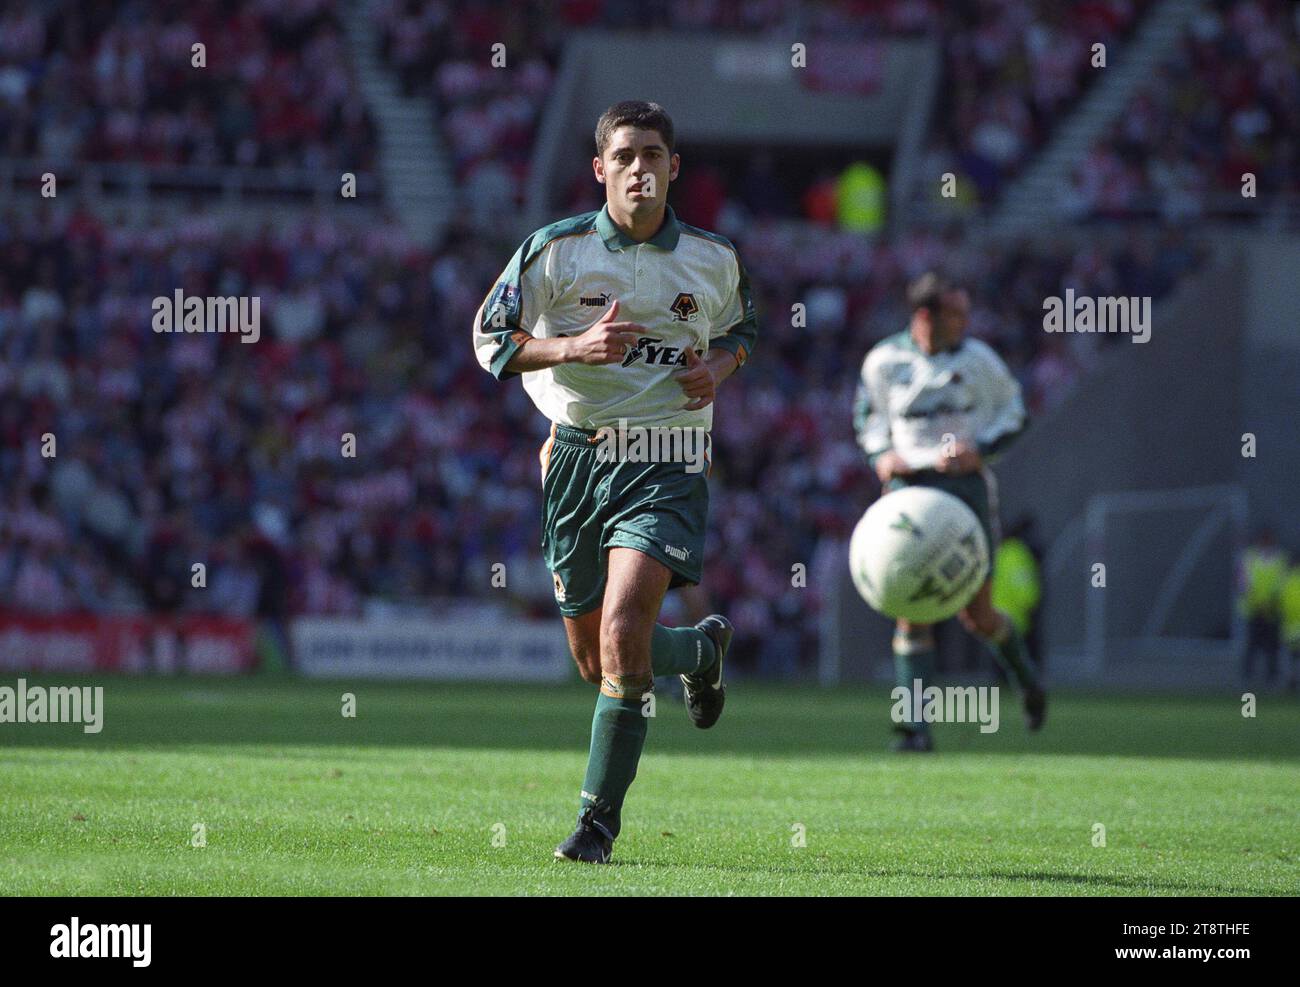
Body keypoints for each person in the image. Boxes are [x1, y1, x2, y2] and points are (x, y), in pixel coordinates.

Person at [472, 100, 758, 862]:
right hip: (575, 457)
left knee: (625, 634)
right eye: (625, 155)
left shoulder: (712, 257)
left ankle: (595, 825)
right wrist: (573, 346)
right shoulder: (553, 252)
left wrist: (719, 366)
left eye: (654, 155)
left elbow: (742, 327)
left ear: (674, 167)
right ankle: (699, 651)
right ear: (600, 168)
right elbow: (491, 341)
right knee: (598, 660)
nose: (640, 168)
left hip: (666, 458)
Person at [854, 272, 1046, 752]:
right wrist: (882, 455)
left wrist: (979, 449)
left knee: (977, 617)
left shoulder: (979, 360)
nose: (966, 322)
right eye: (956, 313)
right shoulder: (884, 361)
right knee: (909, 610)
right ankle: (914, 730)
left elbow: (1015, 412)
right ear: (925, 317)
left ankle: (1028, 682)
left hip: (963, 490)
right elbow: (867, 418)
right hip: (907, 489)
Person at [1238, 528, 1287, 685]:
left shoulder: (1279, 559)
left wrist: (1272, 604)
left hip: (1272, 610)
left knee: (1272, 646)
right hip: (1254, 610)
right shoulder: (1250, 558)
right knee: (1252, 644)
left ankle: (1271, 677)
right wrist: (1257, 604)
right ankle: (1247, 677)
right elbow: (1243, 584)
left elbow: (1282, 584)